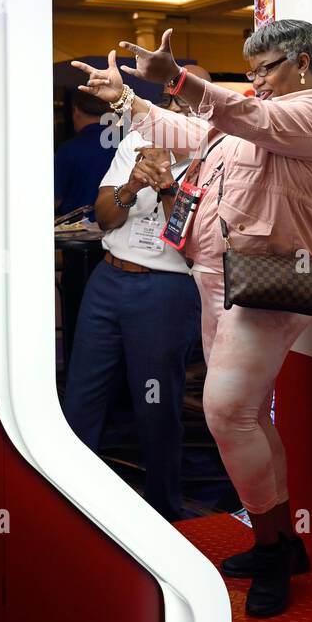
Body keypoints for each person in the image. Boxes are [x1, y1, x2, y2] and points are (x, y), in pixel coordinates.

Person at [72, 20, 312, 618]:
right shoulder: (247, 116)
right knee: (246, 415)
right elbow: (191, 130)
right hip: (216, 280)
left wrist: (178, 78)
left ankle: (274, 553)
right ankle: (280, 542)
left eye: (266, 68)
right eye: (250, 73)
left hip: (267, 285)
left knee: (225, 412)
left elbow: (248, 118)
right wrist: (126, 99)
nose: (256, 83)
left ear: (302, 62)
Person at [62, 72, 212, 520]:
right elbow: (106, 218)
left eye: (190, 101)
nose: (178, 106)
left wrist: (166, 185)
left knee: (155, 405)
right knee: (82, 396)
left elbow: (190, 244)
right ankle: (71, 501)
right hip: (108, 282)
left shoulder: (214, 157)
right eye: (173, 97)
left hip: (166, 290)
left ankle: (164, 512)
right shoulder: (134, 143)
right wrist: (132, 186)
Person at [53, 87, 114, 218]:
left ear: (75, 110)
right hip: (114, 228)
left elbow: (55, 200)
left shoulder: (68, 149)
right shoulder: (124, 145)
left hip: (73, 230)